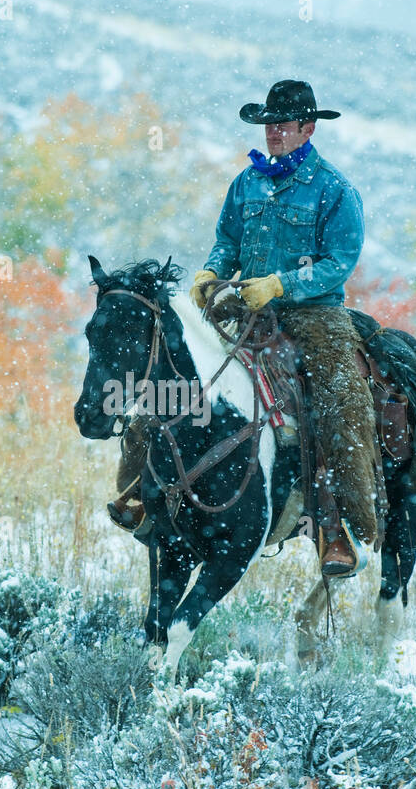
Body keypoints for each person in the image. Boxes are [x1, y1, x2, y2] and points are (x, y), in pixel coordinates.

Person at [110, 80, 384, 577]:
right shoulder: (245, 183)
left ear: (308, 128)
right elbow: (226, 242)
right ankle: (142, 493)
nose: (273, 132)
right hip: (243, 308)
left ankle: (337, 527)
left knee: (340, 402)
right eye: (268, 124)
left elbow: (340, 262)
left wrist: (281, 284)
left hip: (315, 316)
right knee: (172, 373)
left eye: (283, 124)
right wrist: (211, 272)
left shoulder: (336, 190)